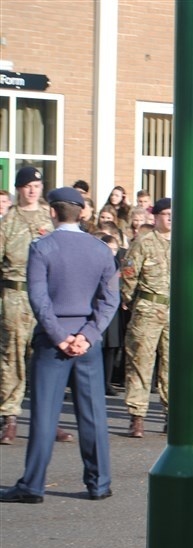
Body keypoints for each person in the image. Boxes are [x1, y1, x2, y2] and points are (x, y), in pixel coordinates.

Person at [0, 188, 119, 504]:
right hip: (87, 341)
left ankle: (33, 484)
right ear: (81, 213)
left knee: (44, 414)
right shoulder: (100, 249)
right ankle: (99, 482)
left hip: (53, 341)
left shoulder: (42, 247)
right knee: (93, 414)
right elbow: (109, 300)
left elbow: (38, 298)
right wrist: (88, 335)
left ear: (52, 212)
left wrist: (60, 336)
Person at [1, 166, 75, 445]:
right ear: (18, 189)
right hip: (15, 296)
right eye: (27, 185)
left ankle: (48, 419)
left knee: (46, 359)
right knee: (12, 357)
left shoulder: (51, 217)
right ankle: (10, 418)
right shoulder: (7, 221)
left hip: (47, 297)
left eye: (37, 185)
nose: (32, 190)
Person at [121, 197, 172, 438]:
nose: (171, 218)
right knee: (141, 361)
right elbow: (129, 273)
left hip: (176, 311)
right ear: (156, 216)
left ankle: (172, 414)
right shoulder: (143, 242)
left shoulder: (184, 243)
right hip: (148, 307)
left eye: (174, 214)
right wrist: (129, 299)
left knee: (172, 365)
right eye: (166, 214)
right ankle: (137, 415)